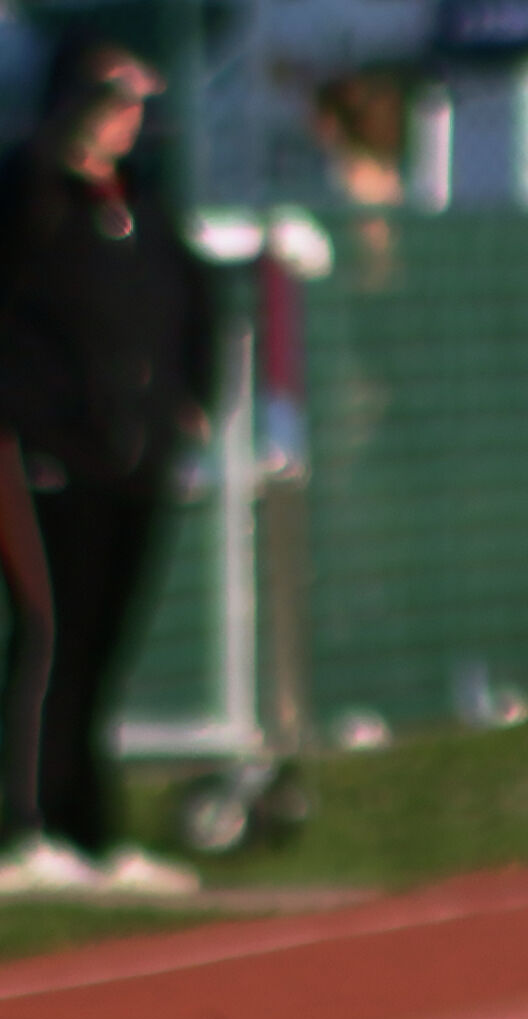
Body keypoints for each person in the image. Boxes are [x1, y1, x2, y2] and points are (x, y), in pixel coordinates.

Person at [0, 37, 215, 896]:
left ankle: (90, 831)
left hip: (132, 460)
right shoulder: (26, 194)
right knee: (50, 632)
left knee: (100, 645)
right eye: (115, 101)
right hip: (43, 456)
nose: (130, 120)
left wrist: (189, 399)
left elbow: (193, 301)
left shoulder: (141, 202)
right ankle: (26, 828)